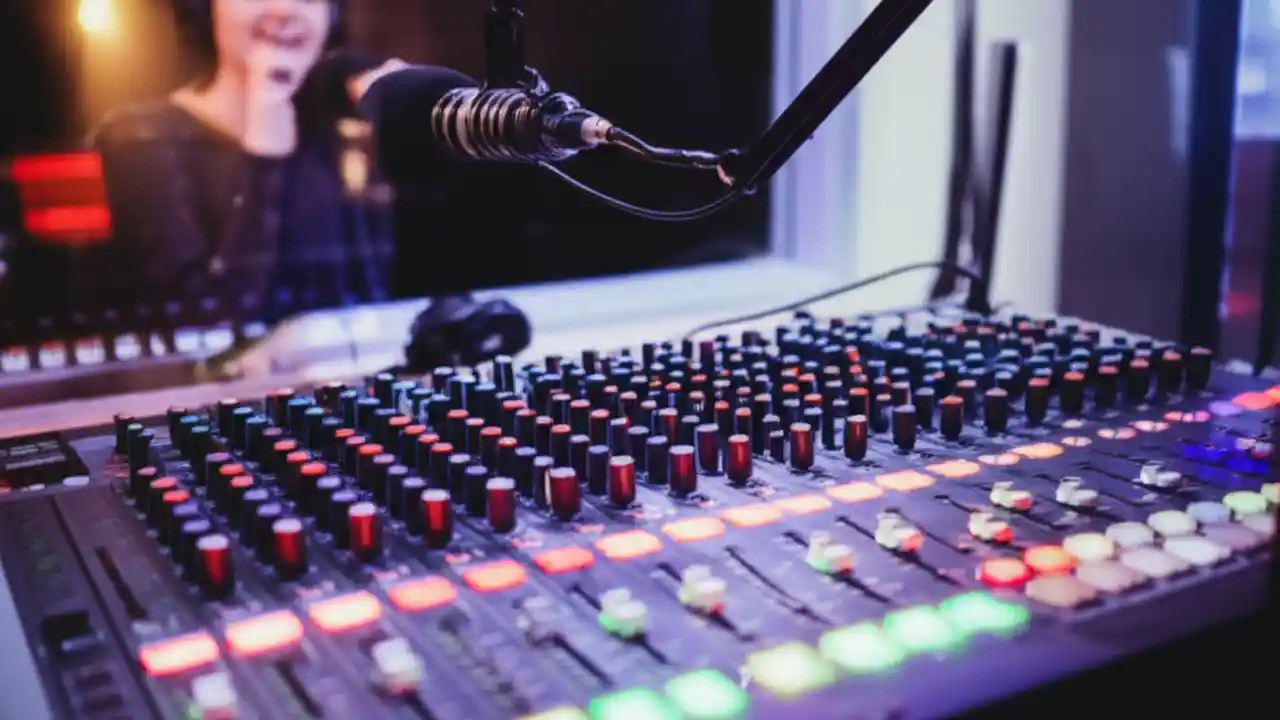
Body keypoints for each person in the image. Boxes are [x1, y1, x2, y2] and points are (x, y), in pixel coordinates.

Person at [93, 0, 409, 326]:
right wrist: (265, 156)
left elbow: (377, 303)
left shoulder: (335, 131)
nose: (286, 9)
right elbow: (202, 319)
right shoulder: (140, 135)